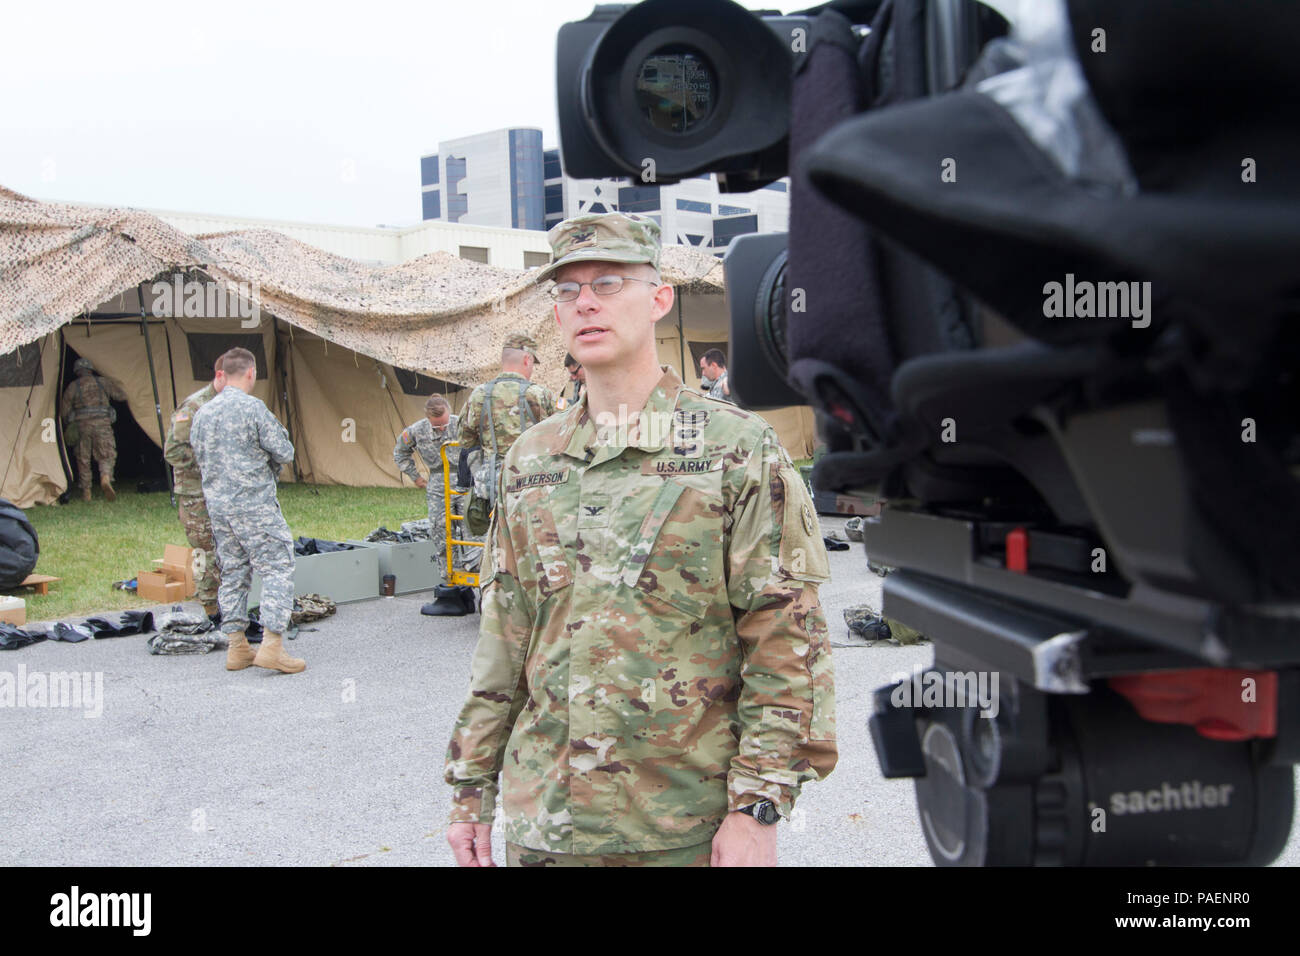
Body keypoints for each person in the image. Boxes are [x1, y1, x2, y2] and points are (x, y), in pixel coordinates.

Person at [444, 212, 837, 868]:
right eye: (567, 290)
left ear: (659, 299)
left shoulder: (735, 451)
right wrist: (469, 787)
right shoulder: (529, 460)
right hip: (548, 827)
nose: (585, 303)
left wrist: (758, 806)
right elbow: (505, 637)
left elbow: (787, 641)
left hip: (681, 829)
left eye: (608, 282)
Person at [190, 347, 302, 674]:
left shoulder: (202, 414)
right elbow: (284, 450)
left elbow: (198, 458)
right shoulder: (253, 409)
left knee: (234, 574)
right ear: (251, 373)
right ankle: (272, 645)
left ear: (223, 373)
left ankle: (237, 646)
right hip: (254, 505)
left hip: (219, 508)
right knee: (277, 565)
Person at [163, 357, 227, 619]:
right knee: (204, 550)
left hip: (222, 493)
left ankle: (227, 603)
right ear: (220, 375)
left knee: (225, 549)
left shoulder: (230, 405)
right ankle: (210, 607)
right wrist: (211, 465)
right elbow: (174, 452)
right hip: (196, 494)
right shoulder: (194, 406)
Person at [393, 394, 461, 589]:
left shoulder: (462, 423)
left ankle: (474, 574)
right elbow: (400, 452)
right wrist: (415, 476)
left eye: (444, 424)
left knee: (471, 529)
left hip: (465, 481)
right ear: (428, 419)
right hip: (439, 482)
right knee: (440, 529)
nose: (441, 429)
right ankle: (448, 577)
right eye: (436, 426)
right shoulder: (416, 430)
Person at [59, 356, 128, 501]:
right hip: (103, 425)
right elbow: (121, 396)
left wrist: (69, 422)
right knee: (106, 454)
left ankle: (87, 492)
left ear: (77, 371)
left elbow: (64, 410)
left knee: (83, 458)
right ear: (91, 369)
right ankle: (105, 478)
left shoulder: (73, 386)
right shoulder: (102, 382)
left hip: (82, 426)